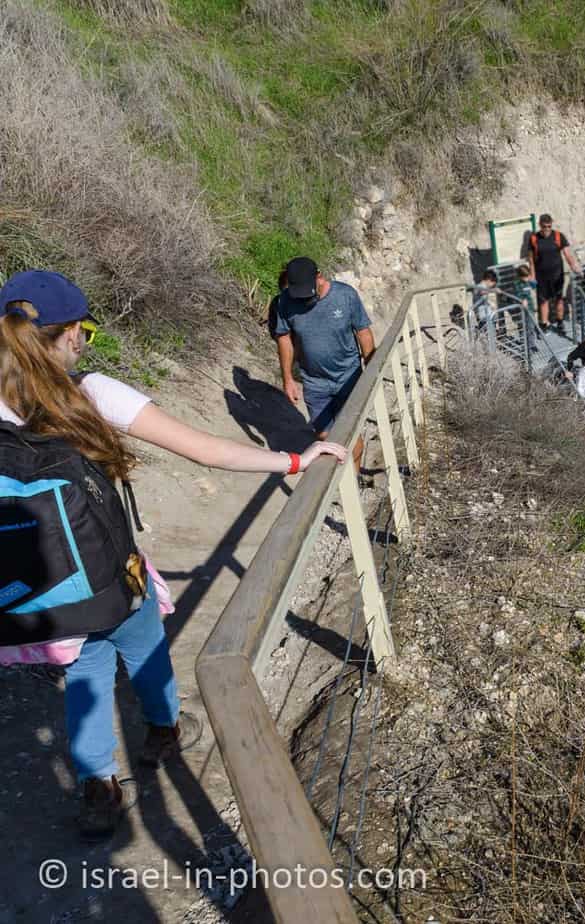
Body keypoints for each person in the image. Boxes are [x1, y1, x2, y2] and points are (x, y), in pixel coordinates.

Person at [0, 270, 348, 839]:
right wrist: (294, 461)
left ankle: (98, 787)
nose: (84, 341)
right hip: (109, 574)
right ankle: (163, 731)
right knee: (142, 643)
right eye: (83, 330)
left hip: (38, 592)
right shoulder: (90, 393)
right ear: (67, 335)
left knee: (85, 668)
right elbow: (208, 451)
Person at [273, 256, 374, 470]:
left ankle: (353, 484)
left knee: (348, 433)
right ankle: (346, 476)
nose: (302, 300)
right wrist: (288, 379)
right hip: (314, 381)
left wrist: (372, 368)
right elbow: (284, 339)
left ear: (319, 277)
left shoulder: (345, 296)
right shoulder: (284, 301)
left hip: (348, 376)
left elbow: (363, 332)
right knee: (324, 435)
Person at [521, 214, 580, 333]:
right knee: (543, 302)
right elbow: (531, 260)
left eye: (549, 226)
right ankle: (544, 325)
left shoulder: (558, 236)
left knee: (559, 300)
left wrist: (574, 266)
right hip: (541, 277)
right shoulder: (534, 239)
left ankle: (560, 322)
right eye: (544, 226)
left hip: (557, 275)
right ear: (540, 225)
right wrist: (532, 275)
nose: (547, 229)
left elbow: (567, 254)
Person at [472, 269, 499, 342]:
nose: (492, 286)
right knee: (489, 336)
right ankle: (491, 350)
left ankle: (491, 348)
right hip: (484, 316)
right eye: (492, 283)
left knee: (489, 336)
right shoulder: (480, 286)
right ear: (488, 280)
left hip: (486, 316)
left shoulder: (483, 286)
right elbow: (481, 291)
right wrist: (494, 290)